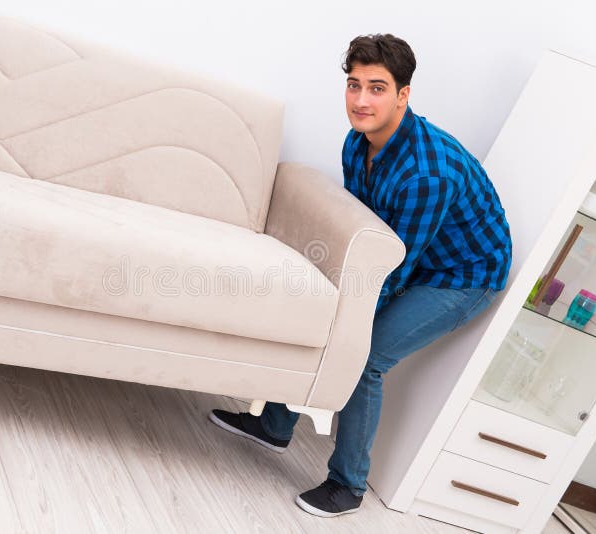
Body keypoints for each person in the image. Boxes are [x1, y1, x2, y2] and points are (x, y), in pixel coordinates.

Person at [209, 33, 512, 518]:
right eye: (354, 85)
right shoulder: (358, 141)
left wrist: (343, 315)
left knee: (362, 354)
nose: (361, 100)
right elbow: (364, 229)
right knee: (331, 323)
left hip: (461, 276)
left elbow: (396, 267)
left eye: (377, 87)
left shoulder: (426, 175)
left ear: (403, 95)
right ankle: (275, 427)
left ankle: (348, 485)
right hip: (412, 256)